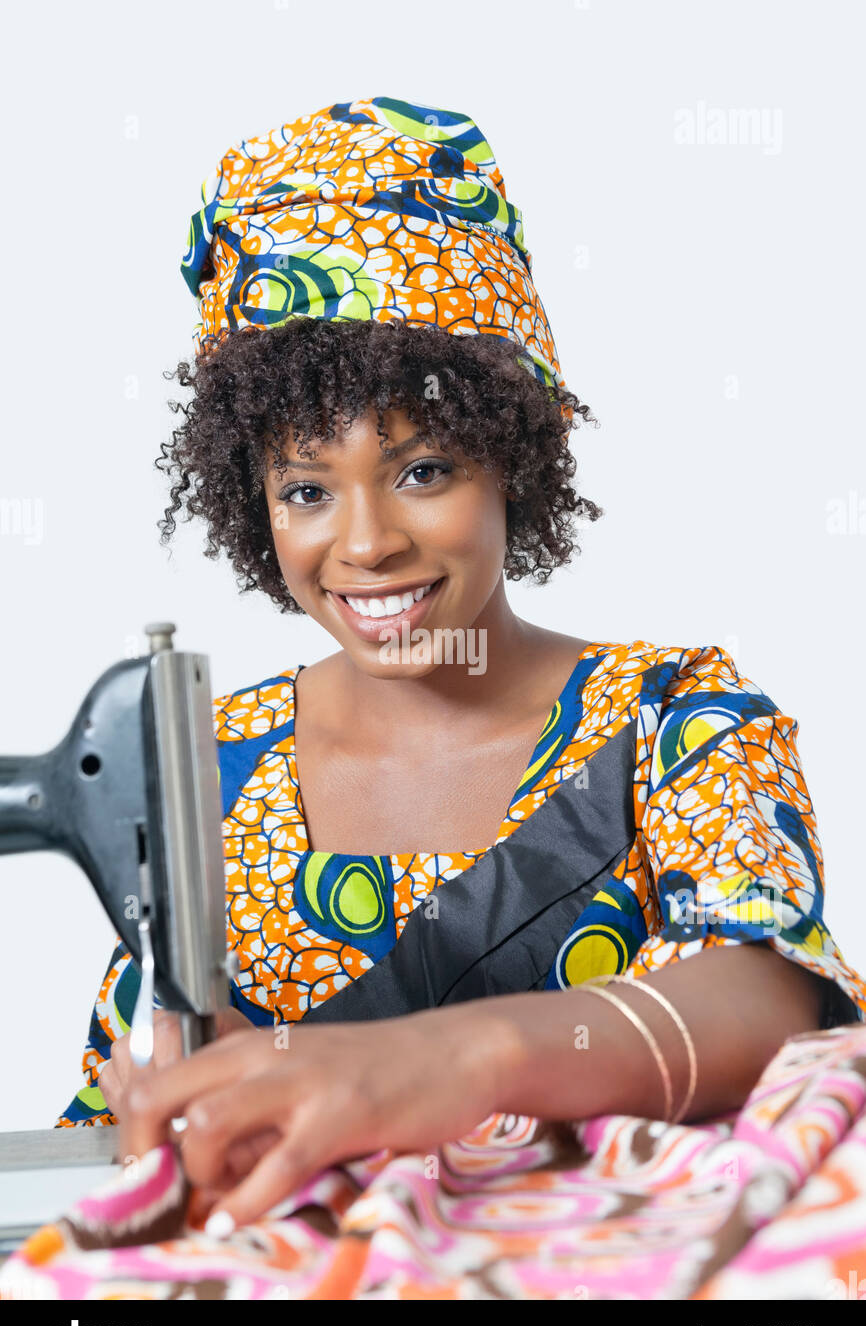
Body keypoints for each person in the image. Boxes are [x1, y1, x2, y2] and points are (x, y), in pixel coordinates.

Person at [54, 95, 866, 1245]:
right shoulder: (205, 771)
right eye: (304, 489)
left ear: (512, 461)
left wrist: (430, 1060)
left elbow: (764, 997)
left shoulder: (675, 714)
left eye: (422, 468)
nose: (366, 541)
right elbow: (121, 1112)